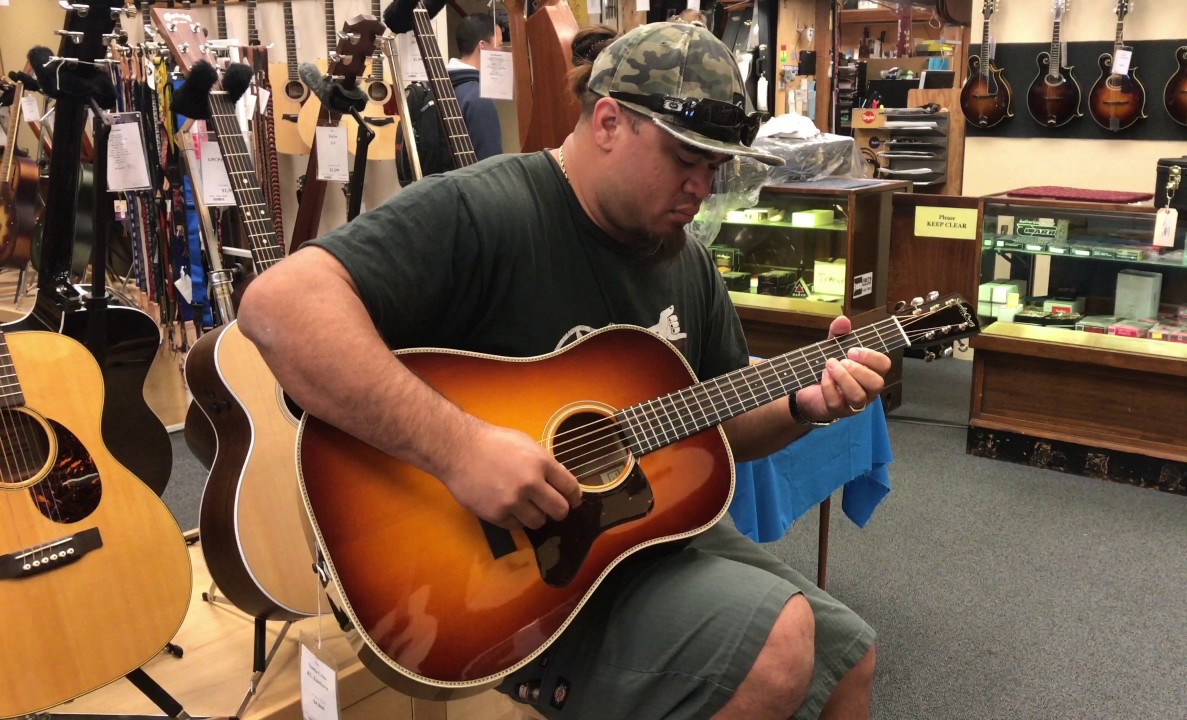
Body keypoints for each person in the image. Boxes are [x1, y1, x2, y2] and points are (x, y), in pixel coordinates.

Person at [239, 21, 888, 720]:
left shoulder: (681, 255)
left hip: (641, 530)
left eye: (716, 166)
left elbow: (719, 425)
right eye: (683, 158)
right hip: (501, 583)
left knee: (849, 654)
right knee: (779, 643)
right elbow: (278, 306)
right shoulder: (485, 211)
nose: (701, 186)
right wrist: (459, 449)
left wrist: (803, 407)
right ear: (608, 121)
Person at [448, 12, 505, 160]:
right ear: (482, 46)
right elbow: (490, 164)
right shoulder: (479, 97)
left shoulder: (438, 86)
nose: (501, 52)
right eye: (499, 46)